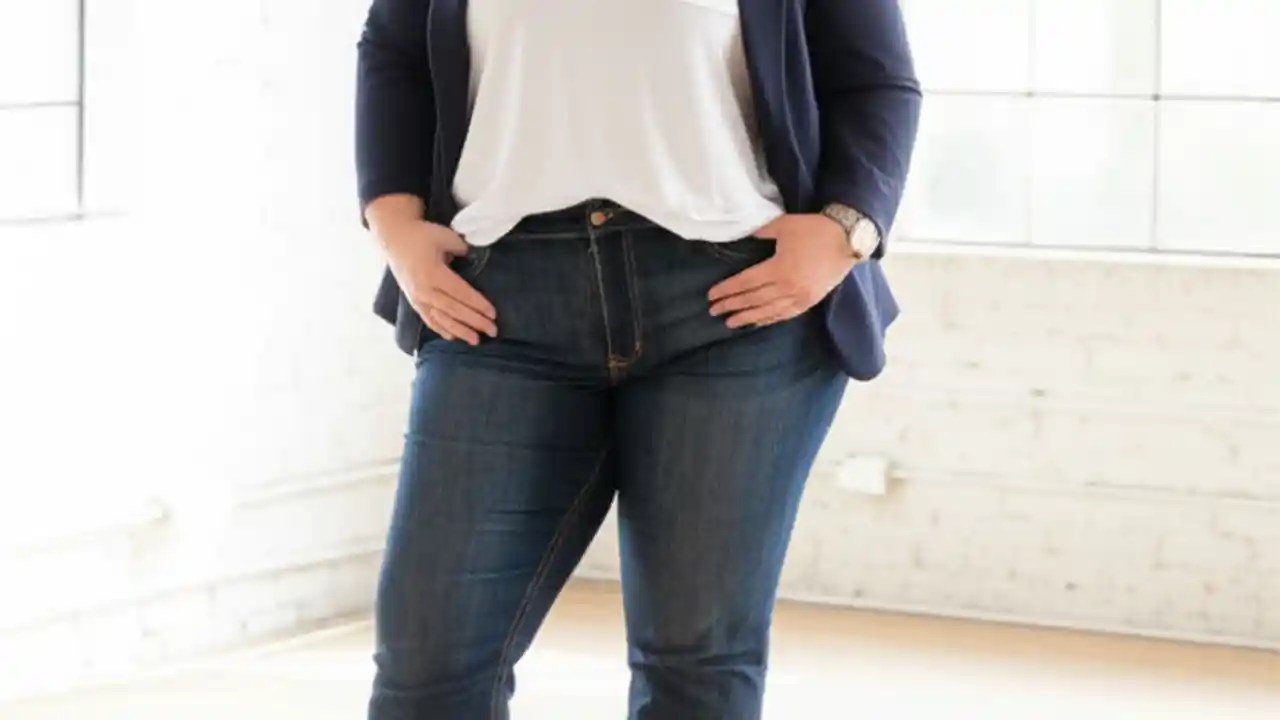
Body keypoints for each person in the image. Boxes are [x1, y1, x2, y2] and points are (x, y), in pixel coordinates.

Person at [355, 0, 920, 717]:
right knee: (427, 659)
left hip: (736, 302)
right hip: (499, 304)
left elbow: (875, 79)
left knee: (696, 662)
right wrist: (395, 225)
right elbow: (394, 52)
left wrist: (847, 229)